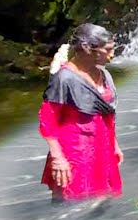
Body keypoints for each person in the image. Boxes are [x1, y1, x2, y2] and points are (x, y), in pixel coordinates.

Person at [38, 23, 123, 203]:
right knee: (72, 206)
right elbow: (48, 120)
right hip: (75, 153)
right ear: (86, 48)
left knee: (104, 205)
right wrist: (58, 159)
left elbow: (108, 113)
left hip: (102, 147)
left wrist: (114, 144)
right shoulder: (64, 78)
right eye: (107, 50)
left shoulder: (105, 75)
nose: (112, 55)